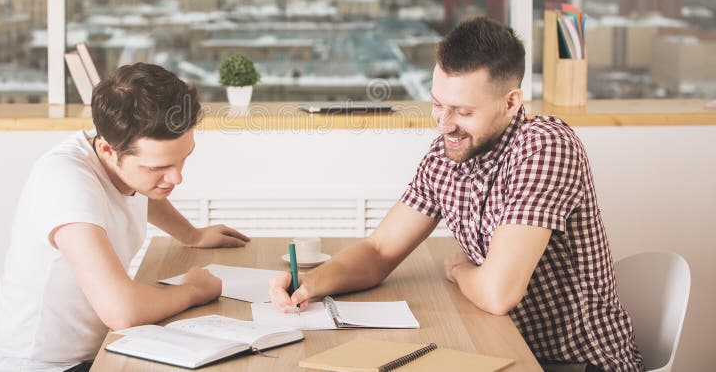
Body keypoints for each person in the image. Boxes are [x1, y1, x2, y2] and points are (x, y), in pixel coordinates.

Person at [270, 18, 643, 372]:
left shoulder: (544, 146)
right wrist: (309, 285)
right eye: (438, 104)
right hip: (503, 348)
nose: (444, 124)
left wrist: (460, 270)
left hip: (576, 364)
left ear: (511, 102)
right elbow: (379, 251)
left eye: (463, 111)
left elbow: (497, 294)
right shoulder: (447, 154)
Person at [0, 63, 250, 372]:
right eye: (157, 168)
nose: (177, 178)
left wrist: (192, 234)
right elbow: (122, 311)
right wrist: (193, 291)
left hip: (97, 350)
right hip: (41, 366)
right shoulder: (65, 183)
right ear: (108, 150)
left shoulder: (117, 157)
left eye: (183, 158)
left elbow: (140, 192)